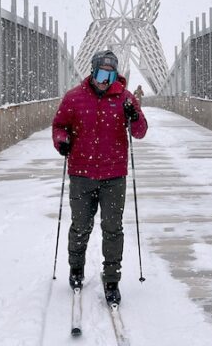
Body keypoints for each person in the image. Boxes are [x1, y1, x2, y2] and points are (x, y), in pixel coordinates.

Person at [52, 49, 148, 305]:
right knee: (80, 226)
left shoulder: (125, 99)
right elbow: (59, 125)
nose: (105, 79)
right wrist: (61, 141)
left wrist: (135, 116)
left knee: (113, 228)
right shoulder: (74, 98)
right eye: (102, 73)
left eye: (111, 74)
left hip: (114, 175)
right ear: (93, 71)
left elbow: (140, 132)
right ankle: (76, 268)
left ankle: (112, 279)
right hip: (81, 173)